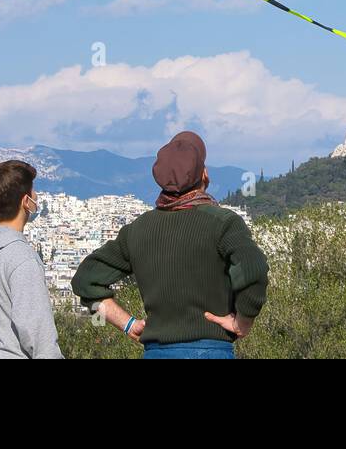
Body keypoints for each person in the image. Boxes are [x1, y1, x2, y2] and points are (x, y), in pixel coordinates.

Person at [72, 131, 269, 359]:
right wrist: (242, 321)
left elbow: (85, 280)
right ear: (204, 174)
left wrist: (128, 324)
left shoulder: (138, 230)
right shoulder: (223, 223)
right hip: (210, 351)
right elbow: (254, 269)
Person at [0, 160, 62, 359]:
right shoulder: (22, 259)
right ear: (26, 201)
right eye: (33, 192)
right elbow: (39, 335)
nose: (36, 196)